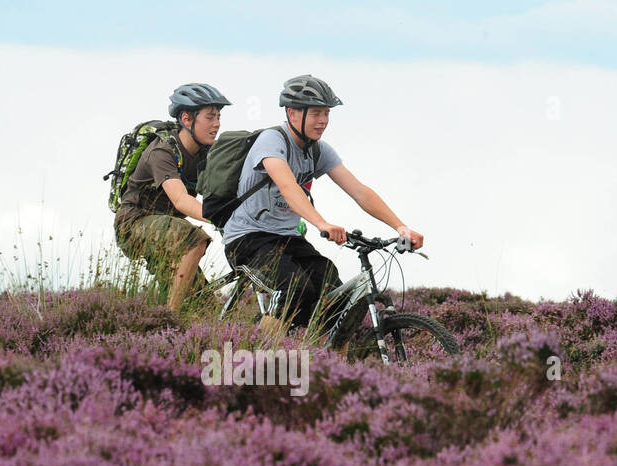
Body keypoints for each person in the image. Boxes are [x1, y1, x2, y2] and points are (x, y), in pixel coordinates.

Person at [222, 74, 425, 335]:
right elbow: (288, 186)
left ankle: (328, 365)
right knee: (292, 290)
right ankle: (255, 356)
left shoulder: (318, 151)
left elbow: (360, 191)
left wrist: (400, 227)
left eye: (327, 114)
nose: (323, 121)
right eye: (317, 113)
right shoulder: (272, 141)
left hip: (288, 238)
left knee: (334, 295)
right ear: (292, 113)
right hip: (248, 238)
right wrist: (321, 223)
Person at [114, 83, 231, 311]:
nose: (217, 124)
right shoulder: (163, 151)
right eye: (210, 117)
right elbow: (180, 200)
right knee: (195, 239)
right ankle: (169, 316)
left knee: (204, 309)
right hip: (134, 222)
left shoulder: (207, 154)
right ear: (187, 119)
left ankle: (163, 330)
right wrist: (219, 218)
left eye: (218, 116)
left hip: (169, 228)